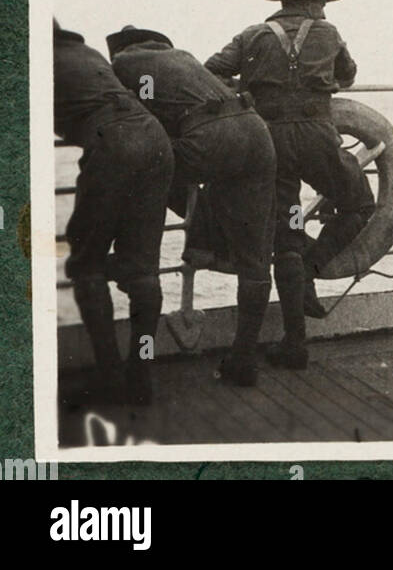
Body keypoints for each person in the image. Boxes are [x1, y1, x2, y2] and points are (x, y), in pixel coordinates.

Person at [205, 0, 374, 367]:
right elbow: (348, 77)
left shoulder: (252, 35)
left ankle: (295, 343)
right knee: (359, 204)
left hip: (269, 140)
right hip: (317, 135)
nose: (323, 10)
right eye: (321, 4)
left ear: (283, 1)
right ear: (313, 3)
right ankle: (312, 269)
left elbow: (211, 70)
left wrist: (246, 93)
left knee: (287, 234)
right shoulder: (329, 34)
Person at [107, 26, 278, 387]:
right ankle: (243, 360)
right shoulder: (182, 57)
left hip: (210, 137)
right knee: (256, 260)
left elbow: (137, 121)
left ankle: (147, 254)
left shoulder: (123, 63)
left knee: (147, 172)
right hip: (255, 131)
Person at [54, 21, 174, 405]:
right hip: (154, 139)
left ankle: (109, 379)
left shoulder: (37, 58)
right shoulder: (86, 54)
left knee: (86, 265)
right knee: (141, 268)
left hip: (112, 144)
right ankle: (140, 375)